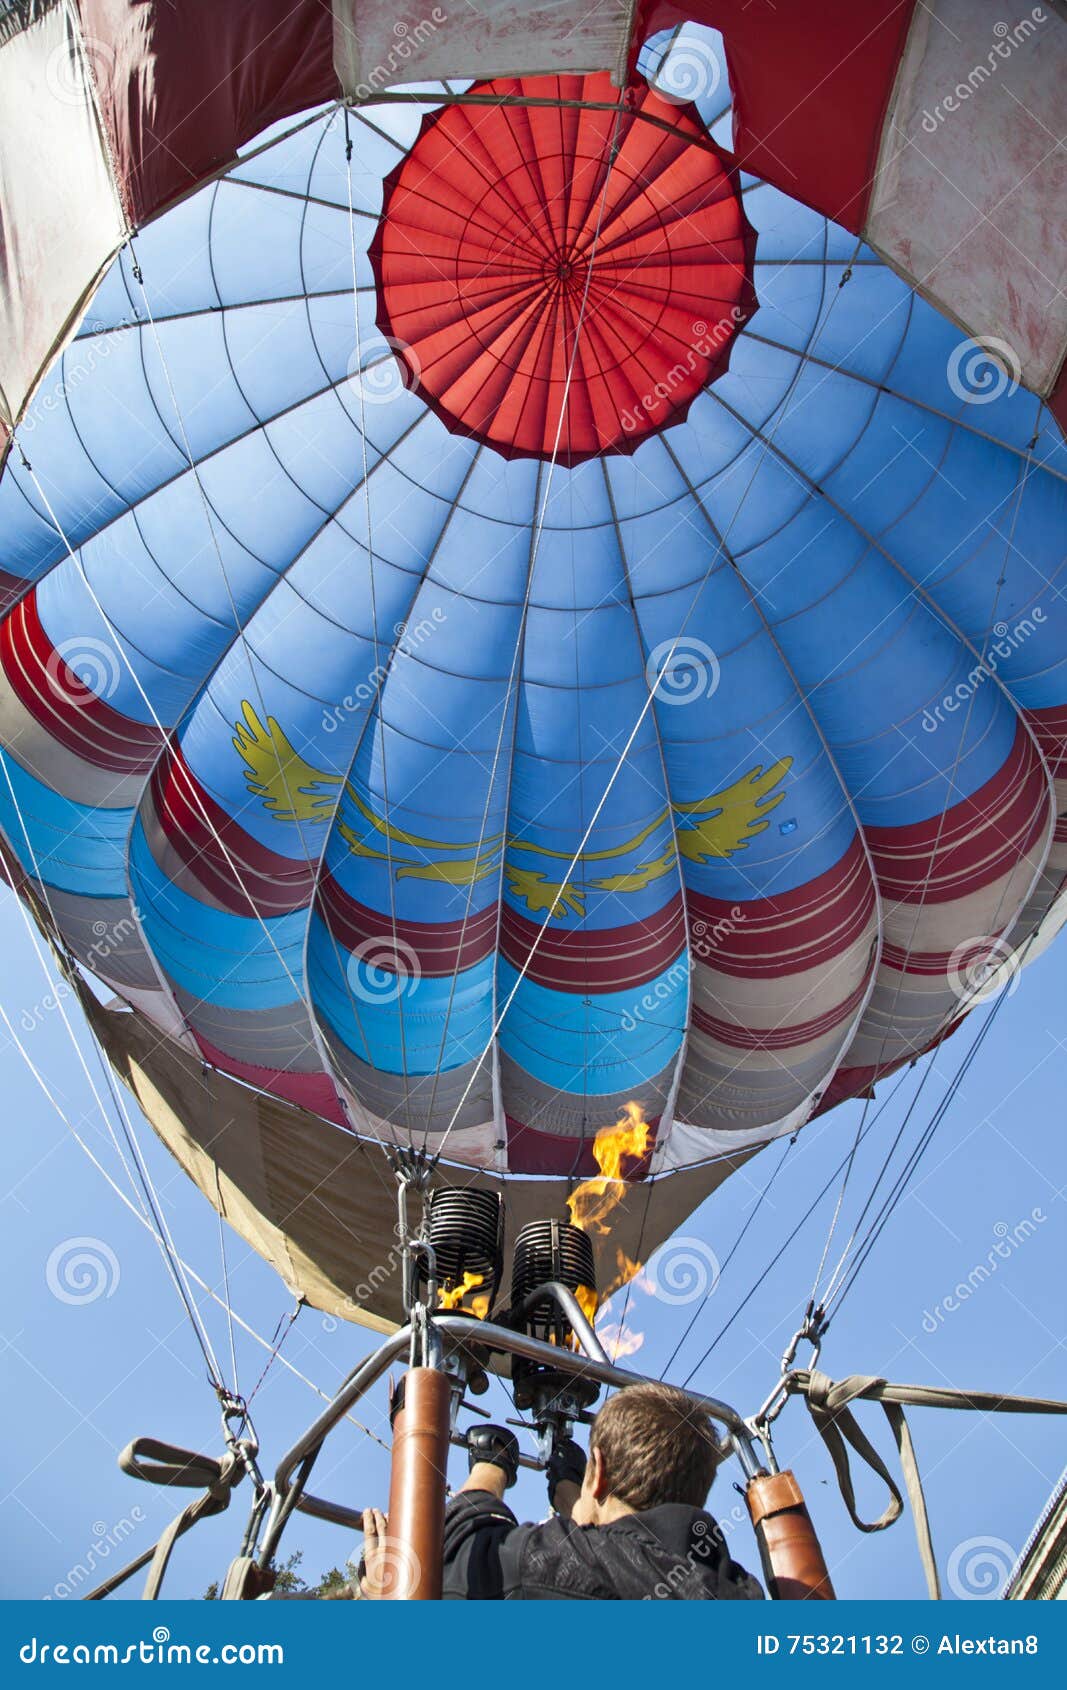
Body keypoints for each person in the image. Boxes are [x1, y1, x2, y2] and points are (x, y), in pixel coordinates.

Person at [361, 1381, 763, 1600]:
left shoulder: (542, 1565)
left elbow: (460, 1539)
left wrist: (491, 1465)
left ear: (598, 1471)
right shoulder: (745, 1594)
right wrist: (573, 1492)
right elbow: (620, 1545)